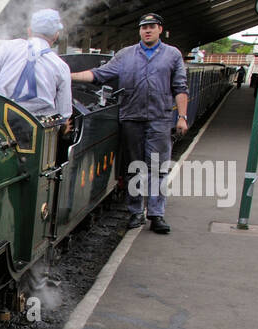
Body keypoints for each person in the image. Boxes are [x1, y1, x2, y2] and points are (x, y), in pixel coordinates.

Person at [71, 13, 188, 234]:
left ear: (160, 29)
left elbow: (181, 87)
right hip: (131, 118)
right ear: (140, 31)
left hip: (159, 119)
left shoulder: (172, 55)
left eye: (152, 27)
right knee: (134, 167)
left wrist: (182, 117)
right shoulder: (126, 55)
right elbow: (99, 75)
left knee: (158, 168)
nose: (147, 30)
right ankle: (135, 213)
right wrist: (68, 75)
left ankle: (156, 214)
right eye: (144, 27)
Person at [0, 8, 72, 128]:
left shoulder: (6, 47)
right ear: (56, 35)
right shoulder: (61, 66)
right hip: (37, 130)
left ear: (29, 31)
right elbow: (64, 114)